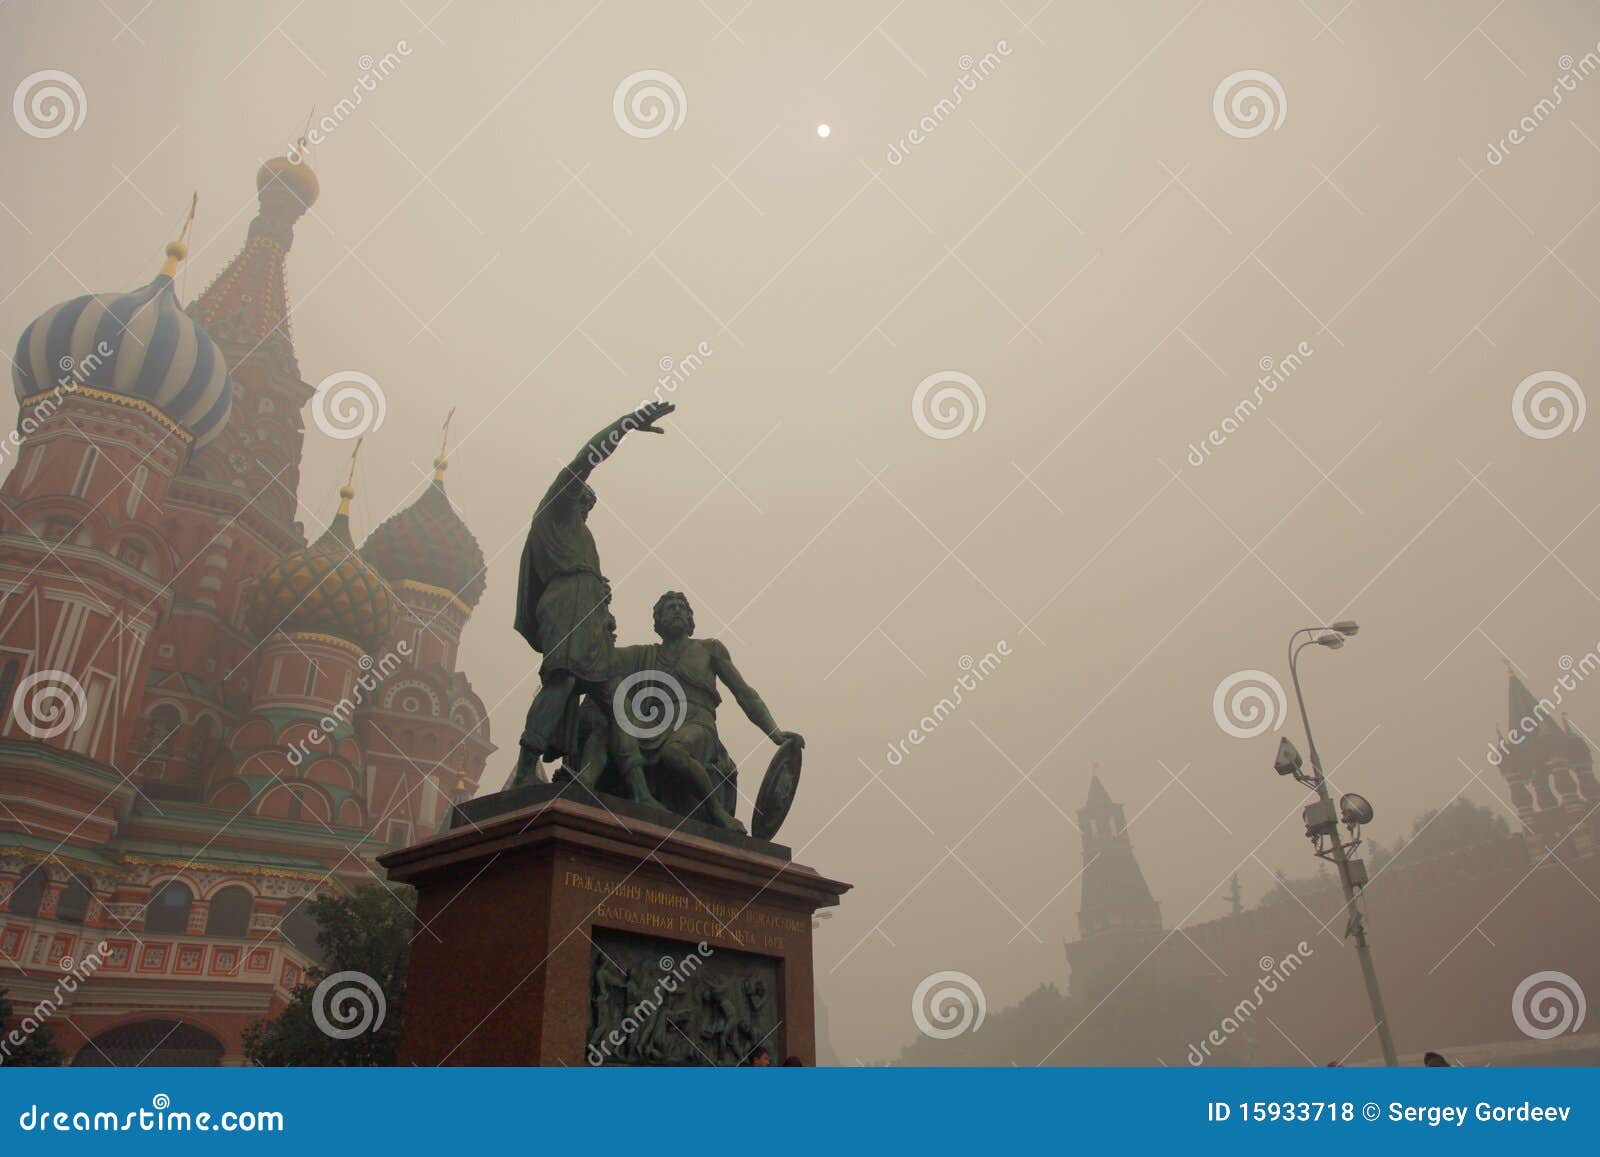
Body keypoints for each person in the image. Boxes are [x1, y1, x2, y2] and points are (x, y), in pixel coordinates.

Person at [509, 402, 674, 788]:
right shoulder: (556, 509)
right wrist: (626, 425)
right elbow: (588, 456)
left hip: (589, 608)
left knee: (615, 700)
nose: (587, 505)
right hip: (567, 601)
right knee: (563, 680)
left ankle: (637, 790)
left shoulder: (580, 533)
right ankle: (523, 770)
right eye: (584, 497)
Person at [613, 590, 803, 831]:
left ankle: (716, 811)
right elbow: (604, 661)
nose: (677, 610)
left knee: (673, 752)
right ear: (658, 621)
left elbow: (744, 694)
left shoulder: (709, 649)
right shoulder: (644, 655)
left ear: (691, 619)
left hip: (697, 727)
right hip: (654, 727)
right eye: (670, 607)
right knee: (610, 720)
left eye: (682, 606)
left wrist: (774, 733)